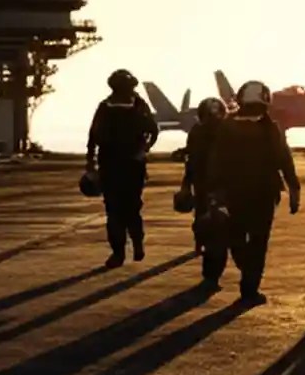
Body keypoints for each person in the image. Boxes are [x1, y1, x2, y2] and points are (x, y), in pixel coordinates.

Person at [207, 80, 300, 304]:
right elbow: (284, 161)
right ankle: (249, 283)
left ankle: (249, 284)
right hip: (253, 195)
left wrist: (214, 191)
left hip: (251, 194)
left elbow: (216, 162)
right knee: (253, 242)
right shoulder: (264, 128)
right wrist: (294, 188)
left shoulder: (233, 128)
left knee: (243, 240)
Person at [86, 69, 159, 268]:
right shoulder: (137, 106)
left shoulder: (107, 107)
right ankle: (131, 245)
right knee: (130, 208)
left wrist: (90, 164)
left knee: (117, 210)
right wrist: (144, 149)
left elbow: (93, 138)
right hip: (129, 165)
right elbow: (154, 131)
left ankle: (122, 251)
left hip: (115, 165)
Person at [177, 97, 228, 287]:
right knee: (211, 227)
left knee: (212, 228)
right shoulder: (203, 131)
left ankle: (210, 271)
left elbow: (190, 159)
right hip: (208, 186)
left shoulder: (200, 131)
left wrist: (186, 183)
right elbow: (191, 159)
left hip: (213, 186)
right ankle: (210, 272)